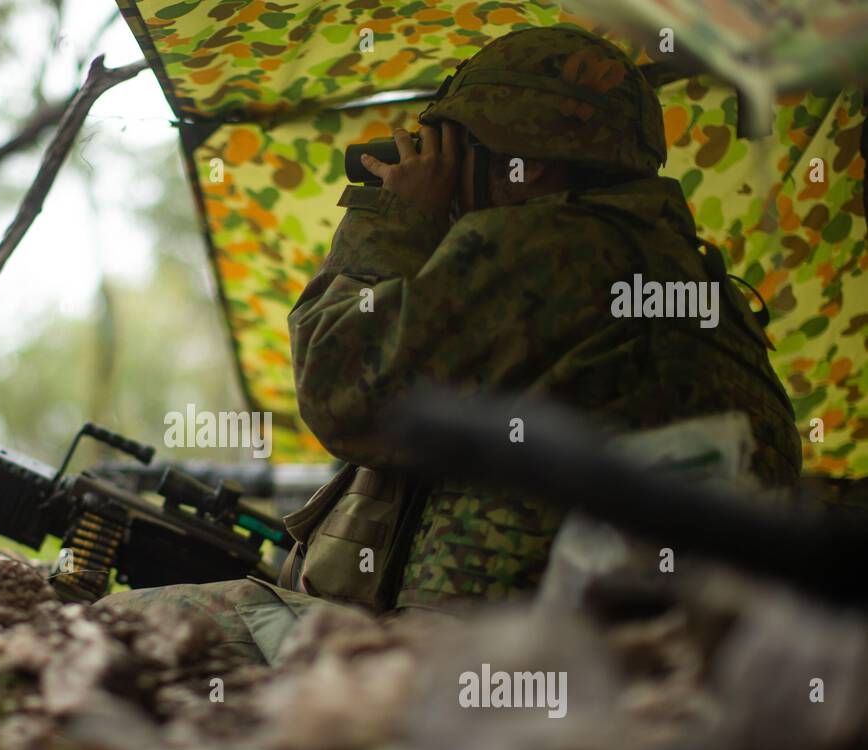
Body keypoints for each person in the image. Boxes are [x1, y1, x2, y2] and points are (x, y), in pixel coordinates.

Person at [97, 25, 801, 664]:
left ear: (528, 162)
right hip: (631, 666)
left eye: (453, 149)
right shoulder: (678, 266)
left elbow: (339, 386)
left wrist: (393, 215)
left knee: (116, 625)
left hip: (488, 661)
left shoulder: (554, 245)